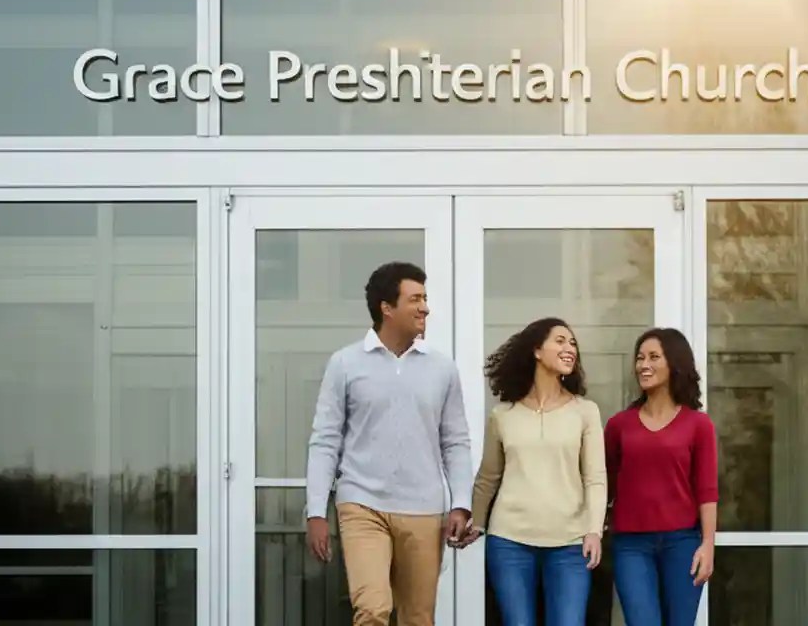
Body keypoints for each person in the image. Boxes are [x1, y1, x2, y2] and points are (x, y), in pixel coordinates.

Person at [304, 261, 473, 626]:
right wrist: (315, 511)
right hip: (362, 503)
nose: (425, 308)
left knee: (417, 617)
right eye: (415, 299)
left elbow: (455, 442)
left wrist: (461, 503)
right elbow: (325, 441)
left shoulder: (442, 369)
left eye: (425, 299)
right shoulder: (345, 364)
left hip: (424, 508)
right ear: (387, 308)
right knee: (372, 609)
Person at [460, 317, 607, 626]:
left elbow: (595, 478)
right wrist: (477, 521)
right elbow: (489, 477)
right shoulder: (503, 415)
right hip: (509, 541)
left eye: (573, 343)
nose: (570, 348)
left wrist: (594, 530)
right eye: (560, 341)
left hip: (570, 542)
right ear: (537, 351)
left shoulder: (585, 411)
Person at [604, 327, 718, 626]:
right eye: (640, 358)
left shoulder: (698, 424)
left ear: (674, 363)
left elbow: (707, 490)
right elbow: (603, 483)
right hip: (631, 546)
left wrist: (708, 544)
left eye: (654, 357)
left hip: (682, 543)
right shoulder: (618, 426)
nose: (644, 365)